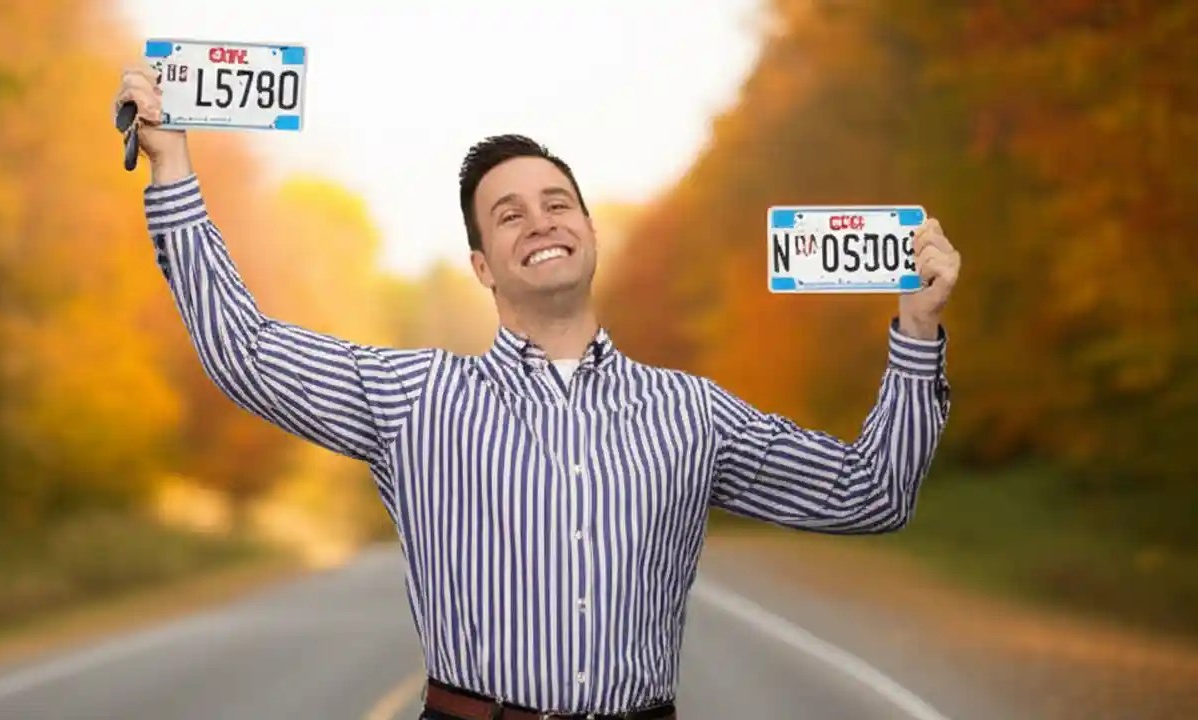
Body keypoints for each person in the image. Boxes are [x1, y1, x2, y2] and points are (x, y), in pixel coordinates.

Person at [115, 64, 959, 720]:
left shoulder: (694, 415)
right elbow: (246, 350)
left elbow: (871, 494)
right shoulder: (415, 399)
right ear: (482, 266)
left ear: (591, 232)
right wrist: (174, 168)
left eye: (558, 203)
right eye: (509, 215)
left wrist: (917, 330)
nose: (542, 220)